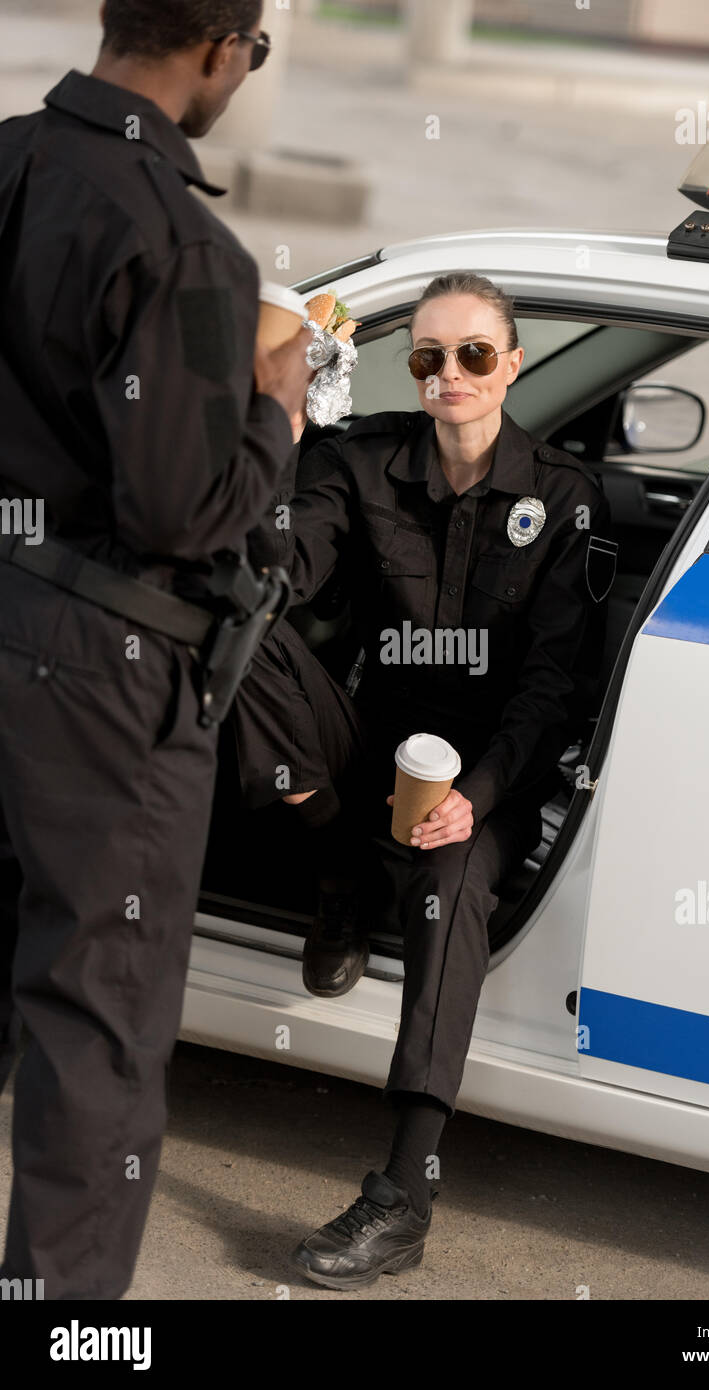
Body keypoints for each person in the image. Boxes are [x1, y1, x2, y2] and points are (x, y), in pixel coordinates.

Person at [0, 0, 312, 1300]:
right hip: (98, 665)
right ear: (220, 50)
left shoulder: (9, 157)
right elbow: (182, 510)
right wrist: (274, 413)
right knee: (98, 1022)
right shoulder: (188, 246)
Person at [233, 272, 617, 1289]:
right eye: (428, 357)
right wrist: (279, 422)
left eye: (474, 354)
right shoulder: (361, 462)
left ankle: (402, 1195)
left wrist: (474, 802)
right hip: (368, 742)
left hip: (485, 771)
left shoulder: (564, 497)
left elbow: (548, 691)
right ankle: (340, 874)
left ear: (513, 363)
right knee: (244, 634)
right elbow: (281, 568)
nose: (450, 374)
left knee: (450, 891)